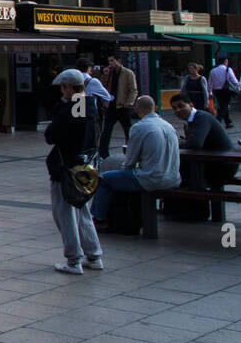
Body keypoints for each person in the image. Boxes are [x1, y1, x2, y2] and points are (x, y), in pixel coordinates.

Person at [92, 95, 181, 232]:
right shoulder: (168, 126)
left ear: (137, 109)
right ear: (155, 108)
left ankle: (99, 219)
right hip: (174, 178)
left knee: (104, 179)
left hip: (151, 179)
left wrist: (124, 170)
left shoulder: (139, 127)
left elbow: (129, 161)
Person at [43, 69, 103, 274]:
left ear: (68, 88)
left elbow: (53, 134)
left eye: (62, 87)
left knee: (65, 214)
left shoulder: (74, 107)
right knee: (81, 210)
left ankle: (73, 259)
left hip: (66, 167)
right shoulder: (89, 104)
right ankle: (94, 255)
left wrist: (62, 106)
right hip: (84, 167)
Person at [170, 92, 238, 189]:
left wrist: (173, 143)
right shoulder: (189, 122)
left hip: (224, 166)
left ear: (191, 105)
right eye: (174, 108)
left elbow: (195, 144)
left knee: (183, 175)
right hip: (214, 162)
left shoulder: (201, 118)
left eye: (181, 106)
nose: (178, 110)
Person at [100, 54, 137, 159]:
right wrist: (105, 75)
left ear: (118, 60)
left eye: (112, 61)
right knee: (106, 130)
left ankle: (131, 151)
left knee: (128, 130)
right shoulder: (109, 73)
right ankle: (103, 153)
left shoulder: (128, 73)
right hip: (111, 106)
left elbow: (133, 89)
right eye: (109, 61)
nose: (110, 63)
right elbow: (103, 87)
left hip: (123, 106)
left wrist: (129, 103)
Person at [75, 57, 112, 136]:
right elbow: (107, 97)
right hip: (89, 113)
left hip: (76, 111)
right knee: (92, 137)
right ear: (89, 68)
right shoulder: (93, 81)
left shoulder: (73, 80)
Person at [207, 55, 240, 128]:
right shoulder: (228, 69)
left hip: (217, 91)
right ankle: (218, 121)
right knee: (224, 106)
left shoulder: (213, 71)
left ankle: (228, 121)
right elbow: (233, 80)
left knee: (222, 105)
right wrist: (238, 86)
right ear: (225, 62)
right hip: (226, 90)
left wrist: (209, 92)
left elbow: (210, 82)